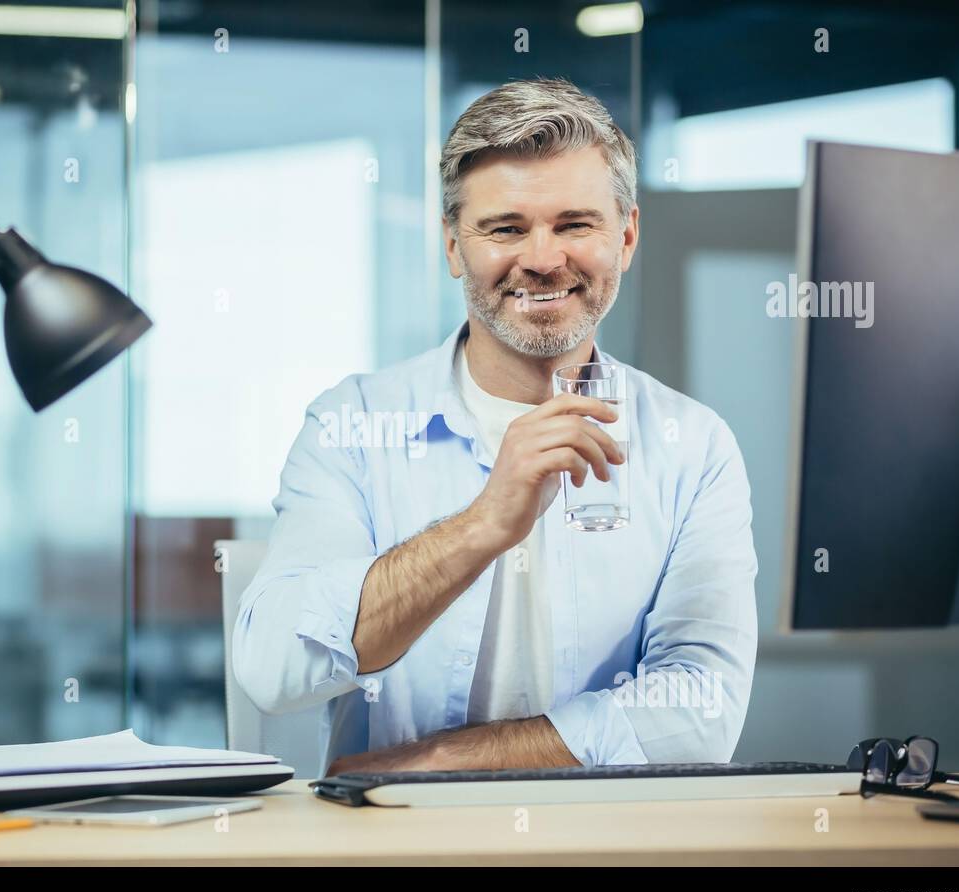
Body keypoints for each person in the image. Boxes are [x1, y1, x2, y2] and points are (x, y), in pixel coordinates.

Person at [233, 78, 757, 775]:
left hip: (608, 844)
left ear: (625, 237)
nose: (542, 258)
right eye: (506, 228)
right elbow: (273, 669)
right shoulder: (354, 425)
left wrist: (450, 758)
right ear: (453, 246)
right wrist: (482, 525)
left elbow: (701, 711)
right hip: (399, 845)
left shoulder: (693, 446)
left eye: (574, 224)